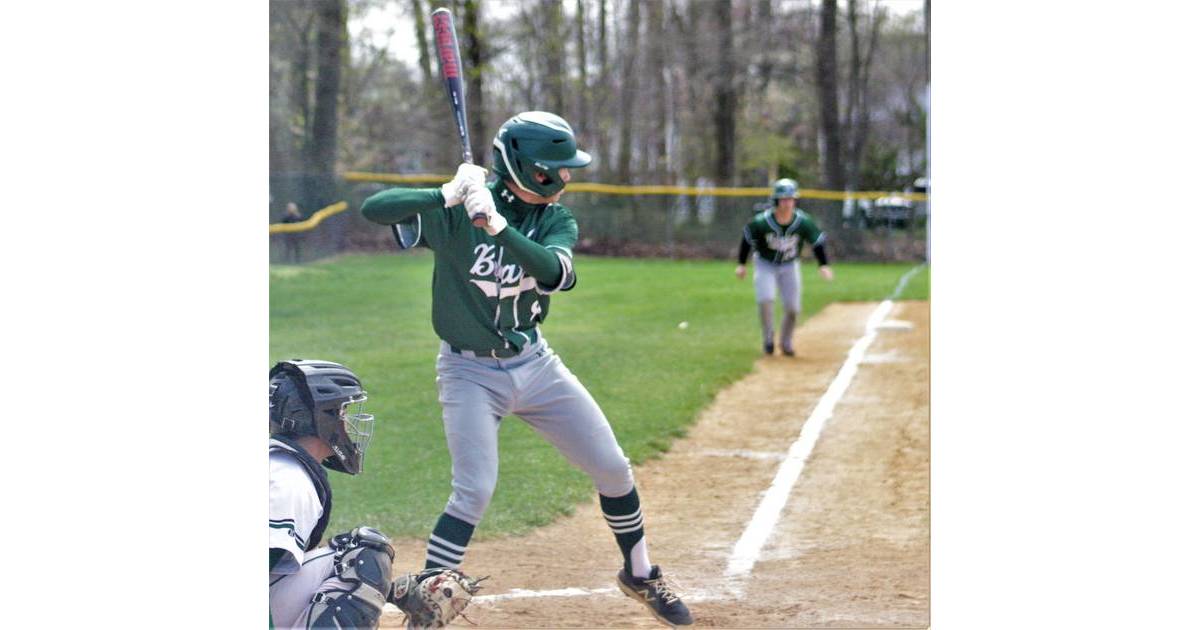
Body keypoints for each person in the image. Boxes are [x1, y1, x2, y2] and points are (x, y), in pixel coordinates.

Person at [360, 111, 693, 627]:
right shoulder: (456, 211)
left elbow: (557, 273)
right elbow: (373, 209)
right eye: (553, 170)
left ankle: (641, 573)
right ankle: (426, 607)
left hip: (536, 365)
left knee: (612, 468)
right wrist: (443, 195)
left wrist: (497, 225)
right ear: (522, 167)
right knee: (474, 490)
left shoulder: (555, 219)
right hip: (468, 373)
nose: (564, 179)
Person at [269, 359, 478, 629]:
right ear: (322, 417)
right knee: (362, 556)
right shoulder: (287, 481)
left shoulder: (280, 468)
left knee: (353, 556)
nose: (347, 421)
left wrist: (390, 589)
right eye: (343, 412)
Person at [735, 178, 834, 356]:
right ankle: (768, 339)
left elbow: (817, 242)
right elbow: (747, 239)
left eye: (791, 199)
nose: (788, 203)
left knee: (793, 308)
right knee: (765, 299)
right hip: (765, 264)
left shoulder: (802, 221)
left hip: (790, 265)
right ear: (776, 201)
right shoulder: (761, 222)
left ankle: (786, 342)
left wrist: (823, 265)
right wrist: (741, 264)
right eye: (783, 199)